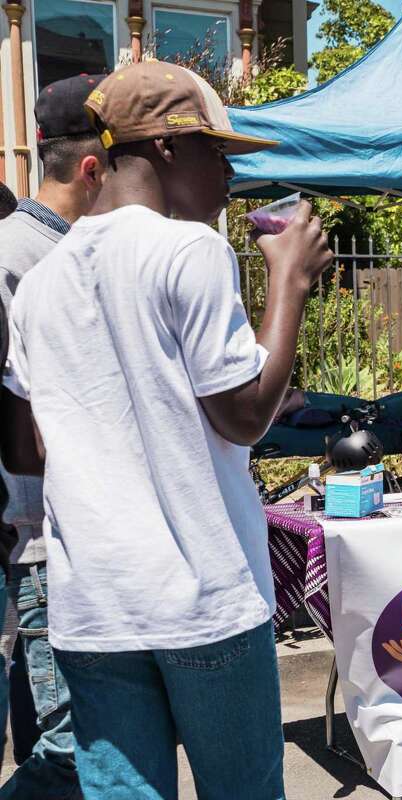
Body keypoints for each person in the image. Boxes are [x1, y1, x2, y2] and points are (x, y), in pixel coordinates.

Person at [0, 62, 332, 798]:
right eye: (220, 153)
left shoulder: (44, 280)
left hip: (93, 606)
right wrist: (290, 283)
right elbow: (244, 417)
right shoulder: (189, 249)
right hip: (202, 596)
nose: (230, 177)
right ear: (169, 147)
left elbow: (23, 450)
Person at [0, 74, 110, 799]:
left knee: (48, 737)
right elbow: (21, 420)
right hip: (39, 537)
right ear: (96, 165)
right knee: (68, 754)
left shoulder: (58, 249)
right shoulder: (20, 256)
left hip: (55, 538)